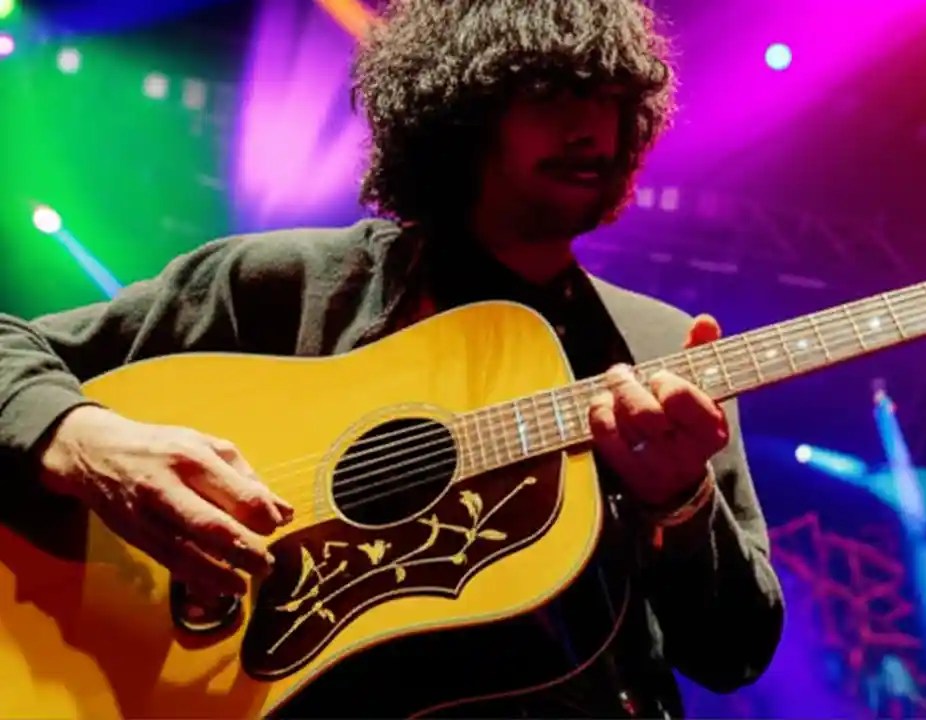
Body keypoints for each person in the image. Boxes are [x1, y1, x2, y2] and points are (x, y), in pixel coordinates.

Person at [0, 0, 784, 717]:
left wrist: (679, 505)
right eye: (549, 93)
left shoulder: (661, 353)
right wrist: (79, 439)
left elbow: (732, 653)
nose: (592, 128)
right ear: (463, 111)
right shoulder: (284, 285)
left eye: (612, 97)